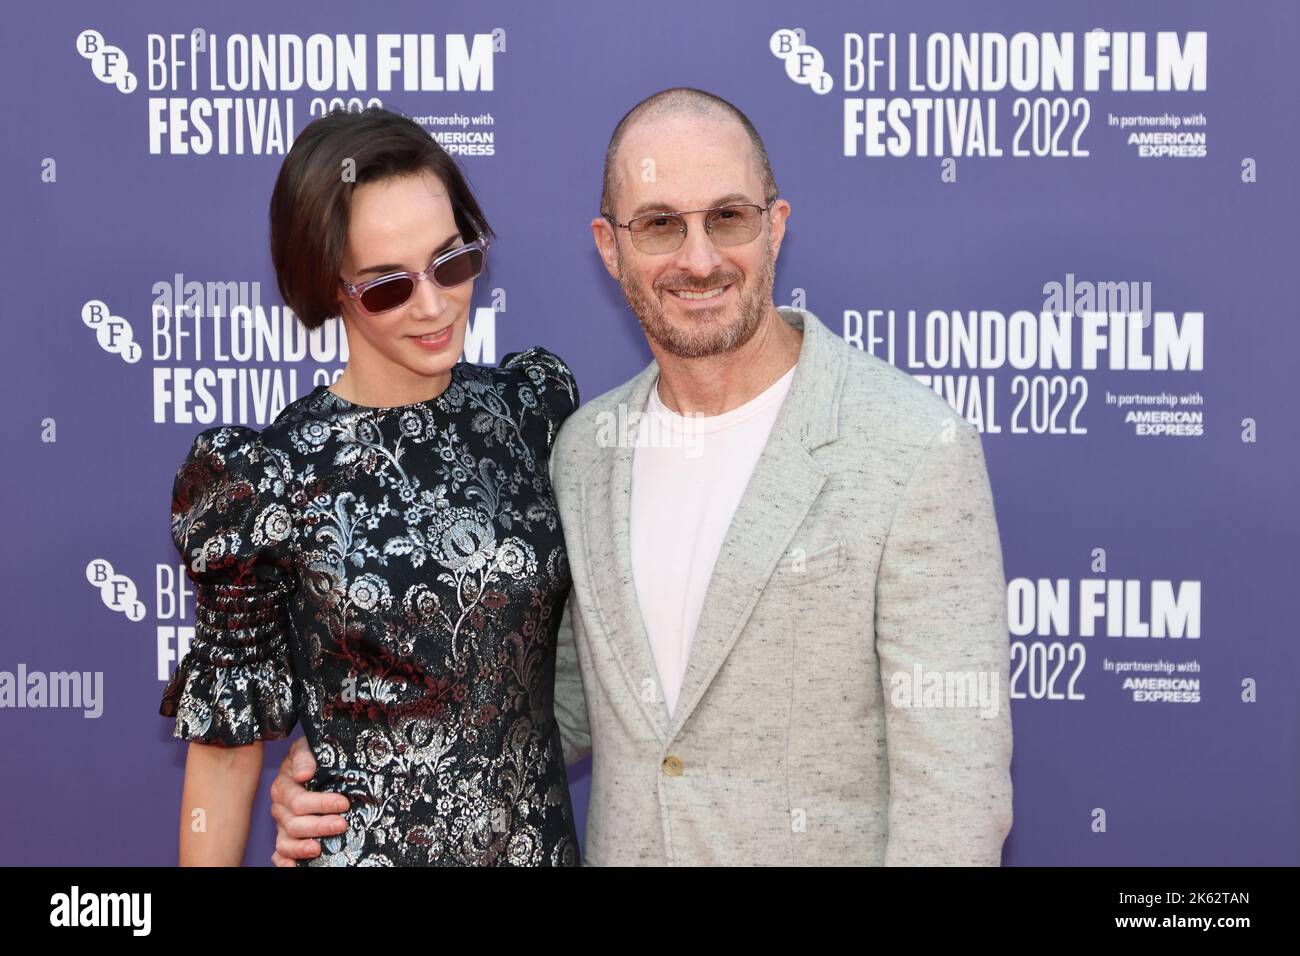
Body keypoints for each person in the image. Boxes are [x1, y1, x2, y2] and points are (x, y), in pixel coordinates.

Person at [270, 87, 1013, 866]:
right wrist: (354, 763)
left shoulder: (911, 447)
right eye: (660, 224)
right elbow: (543, 704)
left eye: (728, 217)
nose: (699, 259)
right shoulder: (587, 450)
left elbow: (955, 802)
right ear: (609, 246)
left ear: (776, 226)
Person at [159, 106, 581, 866]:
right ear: (329, 287)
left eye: (452, 262)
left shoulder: (533, 412)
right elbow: (226, 756)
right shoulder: (268, 480)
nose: (433, 303)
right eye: (388, 286)